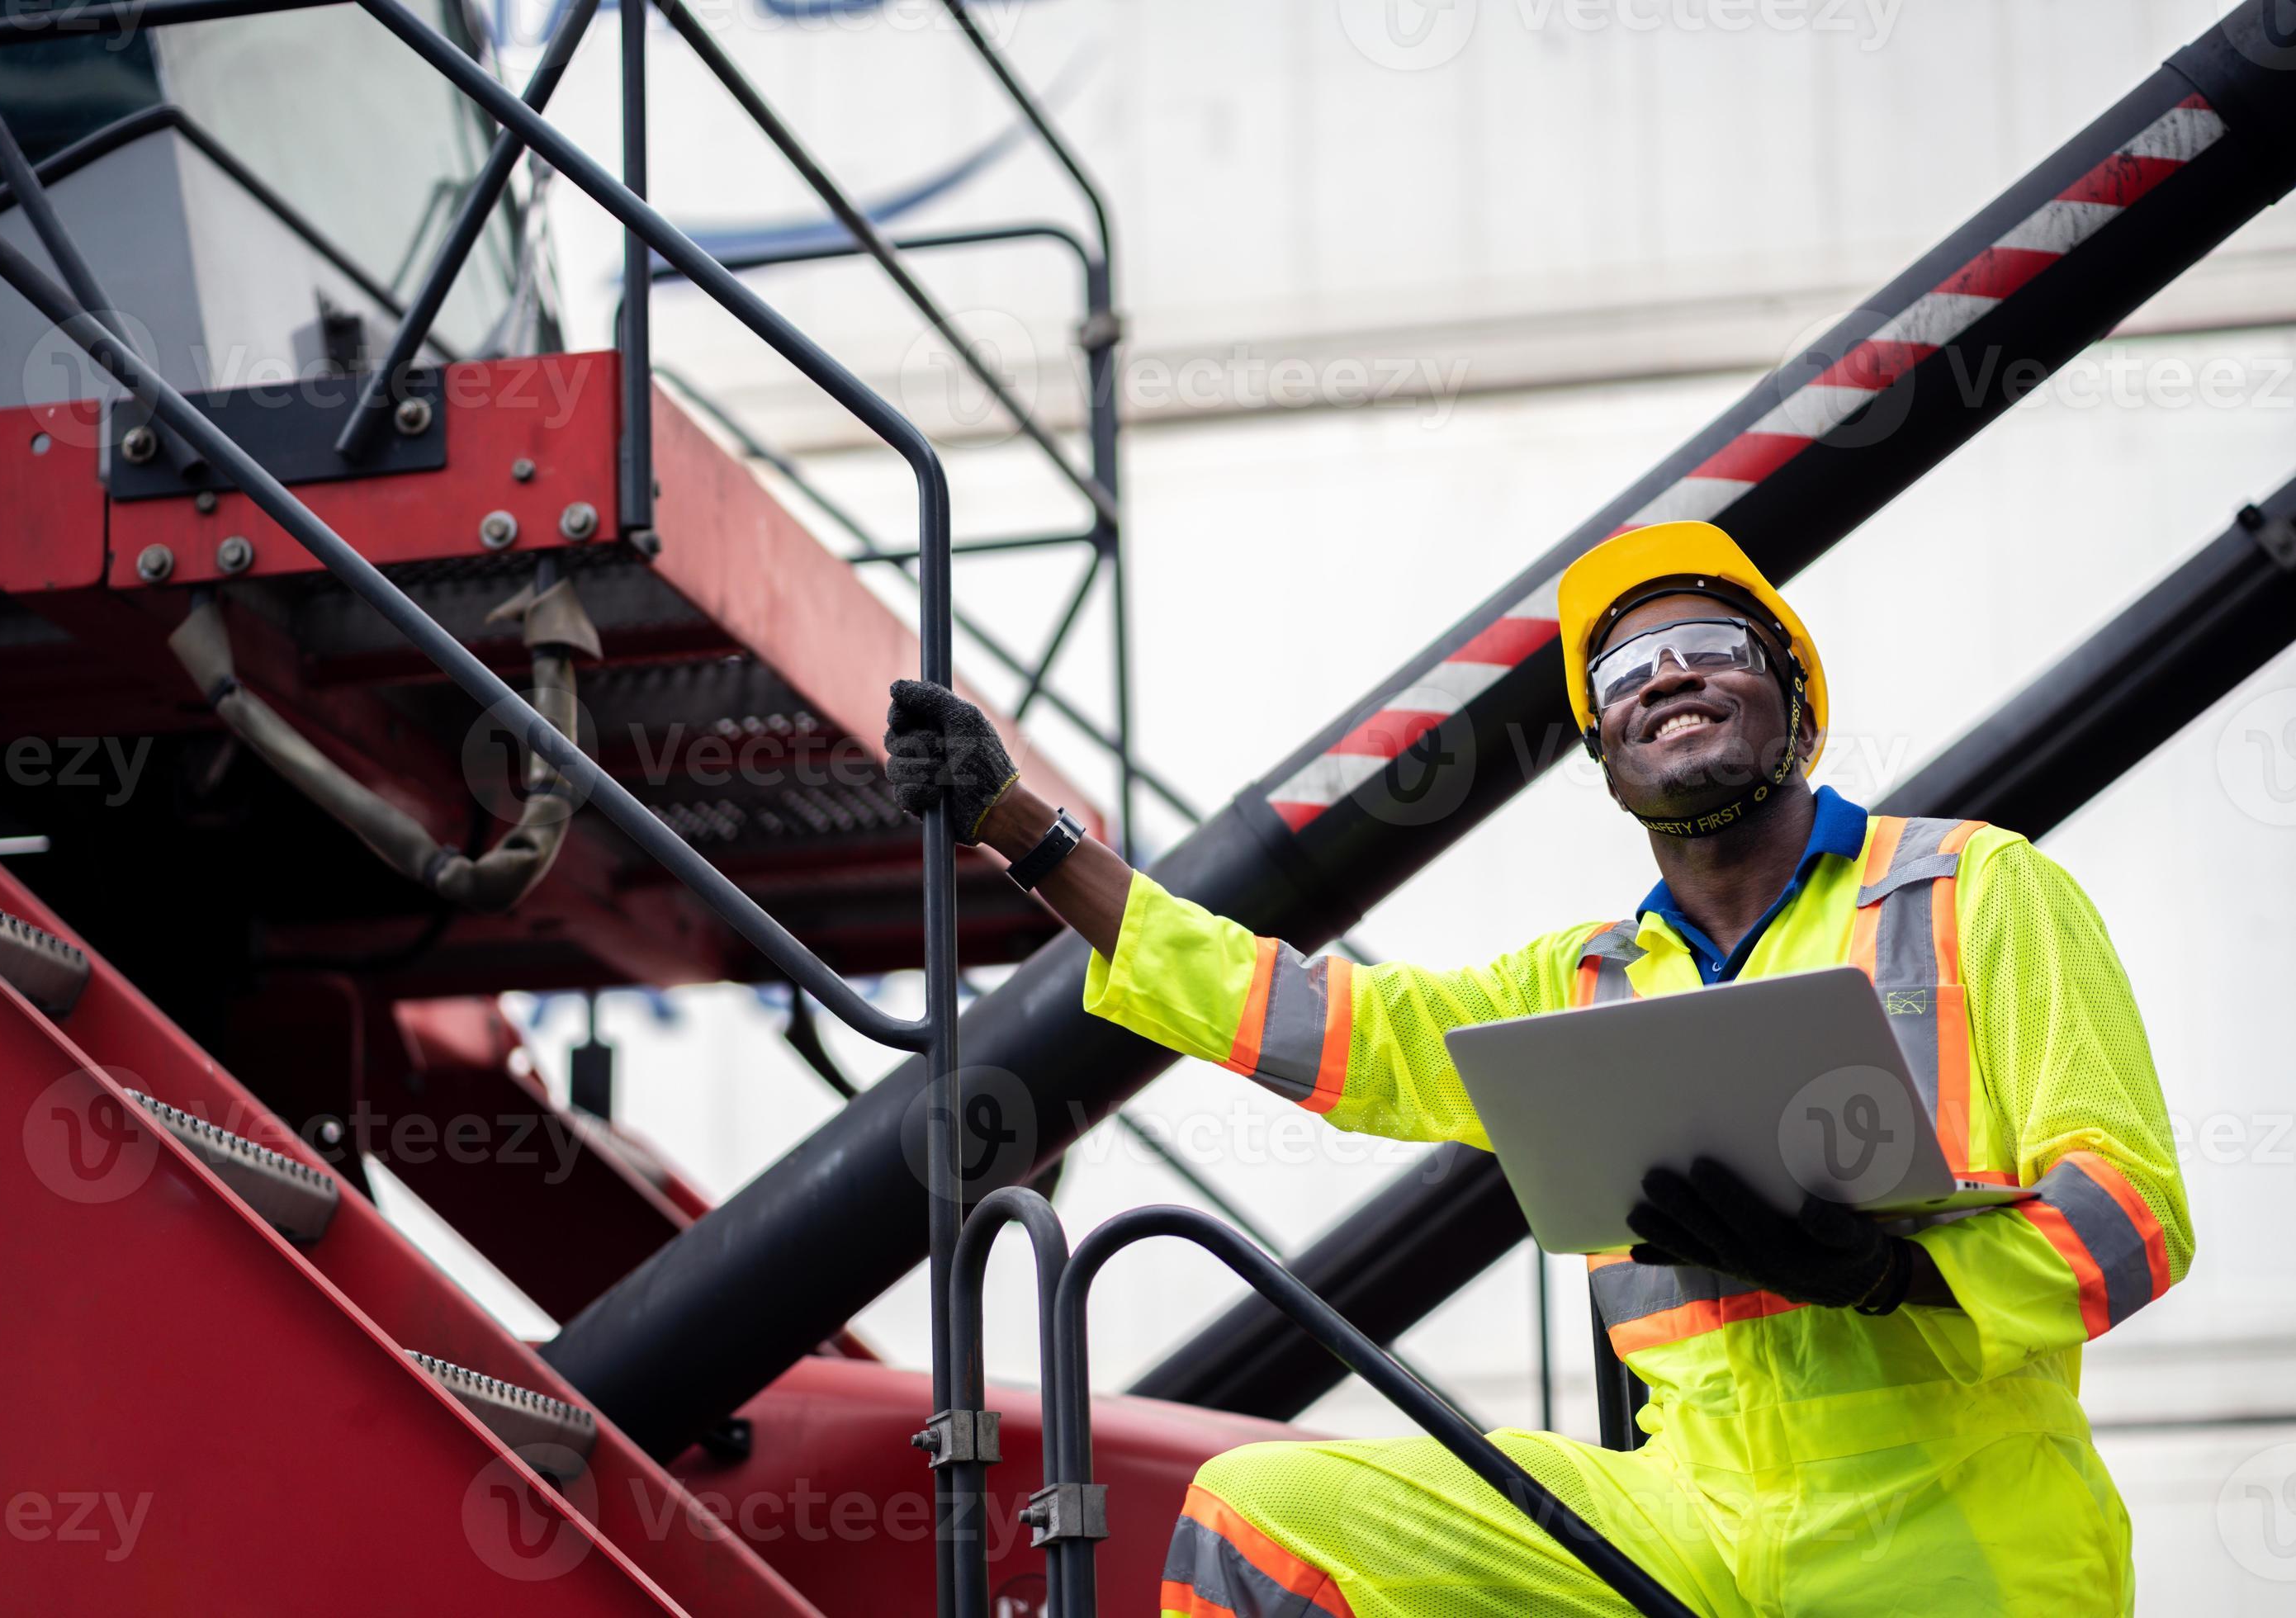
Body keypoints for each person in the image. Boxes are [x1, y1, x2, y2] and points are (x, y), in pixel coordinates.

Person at [881, 519, 2190, 1616]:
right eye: (1630, 668)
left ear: (1794, 710)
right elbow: (1315, 1023)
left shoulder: (1977, 890)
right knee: (1259, 1524)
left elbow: (2134, 1217)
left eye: (1712, 649)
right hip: (1689, 1516)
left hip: (1958, 1529)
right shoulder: (1581, 984)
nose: (1669, 677)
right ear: (1604, 756)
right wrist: (1029, 835)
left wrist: (1896, 1272)